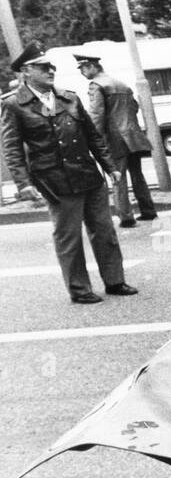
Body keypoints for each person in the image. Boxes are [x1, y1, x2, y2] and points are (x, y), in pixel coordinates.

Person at [1, 44, 135, 304]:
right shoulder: (14, 104)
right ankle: (79, 289)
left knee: (105, 231)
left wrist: (110, 166)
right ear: (26, 71)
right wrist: (23, 184)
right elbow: (12, 148)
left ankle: (115, 281)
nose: (51, 71)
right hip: (55, 181)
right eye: (43, 67)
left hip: (87, 174)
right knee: (68, 237)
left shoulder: (68, 97)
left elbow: (92, 136)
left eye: (51, 67)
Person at [74, 54, 156, 229]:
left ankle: (126, 217)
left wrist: (92, 140)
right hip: (133, 136)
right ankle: (148, 210)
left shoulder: (96, 85)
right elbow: (134, 107)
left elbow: (96, 114)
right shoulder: (121, 84)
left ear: (91, 66)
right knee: (137, 175)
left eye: (83, 68)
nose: (82, 73)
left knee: (117, 176)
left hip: (115, 138)